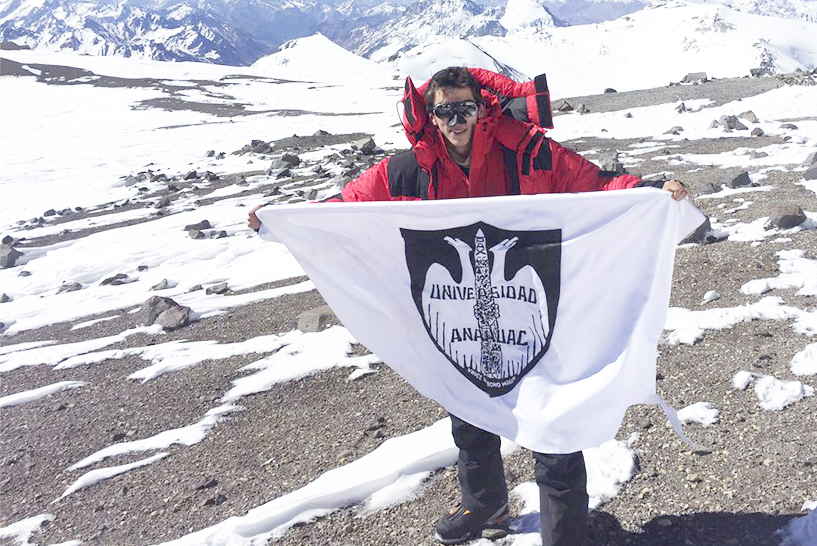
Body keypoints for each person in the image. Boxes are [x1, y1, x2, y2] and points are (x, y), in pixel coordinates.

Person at [249, 66, 687, 545]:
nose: (456, 120)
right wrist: (285, 218)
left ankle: (567, 535)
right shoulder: (407, 168)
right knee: (468, 410)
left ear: (483, 110)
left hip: (529, 308)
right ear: (430, 115)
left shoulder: (529, 153)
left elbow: (594, 183)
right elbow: (348, 204)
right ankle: (486, 503)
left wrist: (650, 189)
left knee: (551, 418)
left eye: (465, 109)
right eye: (444, 111)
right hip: (460, 312)